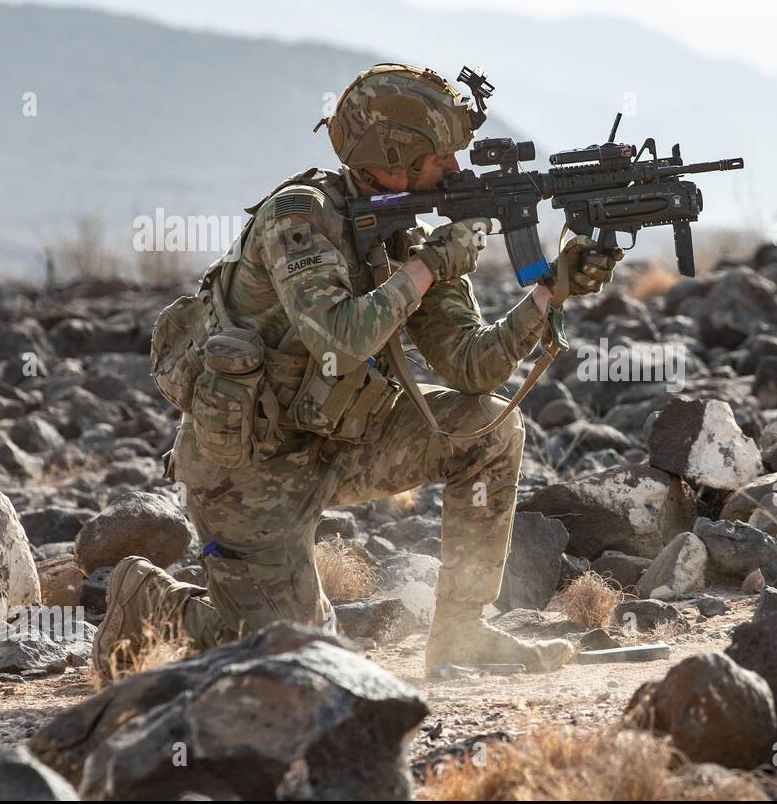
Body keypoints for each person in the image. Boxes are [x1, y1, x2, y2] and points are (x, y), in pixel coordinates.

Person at [93, 64, 621, 678]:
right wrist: (427, 268)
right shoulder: (299, 218)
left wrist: (548, 293)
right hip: (249, 466)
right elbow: (341, 339)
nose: (455, 169)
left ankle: (462, 635)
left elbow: (473, 367)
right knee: (297, 657)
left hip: (340, 442)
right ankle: (152, 603)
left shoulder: (406, 237)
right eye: (440, 155)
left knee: (487, 427)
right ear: (390, 155)